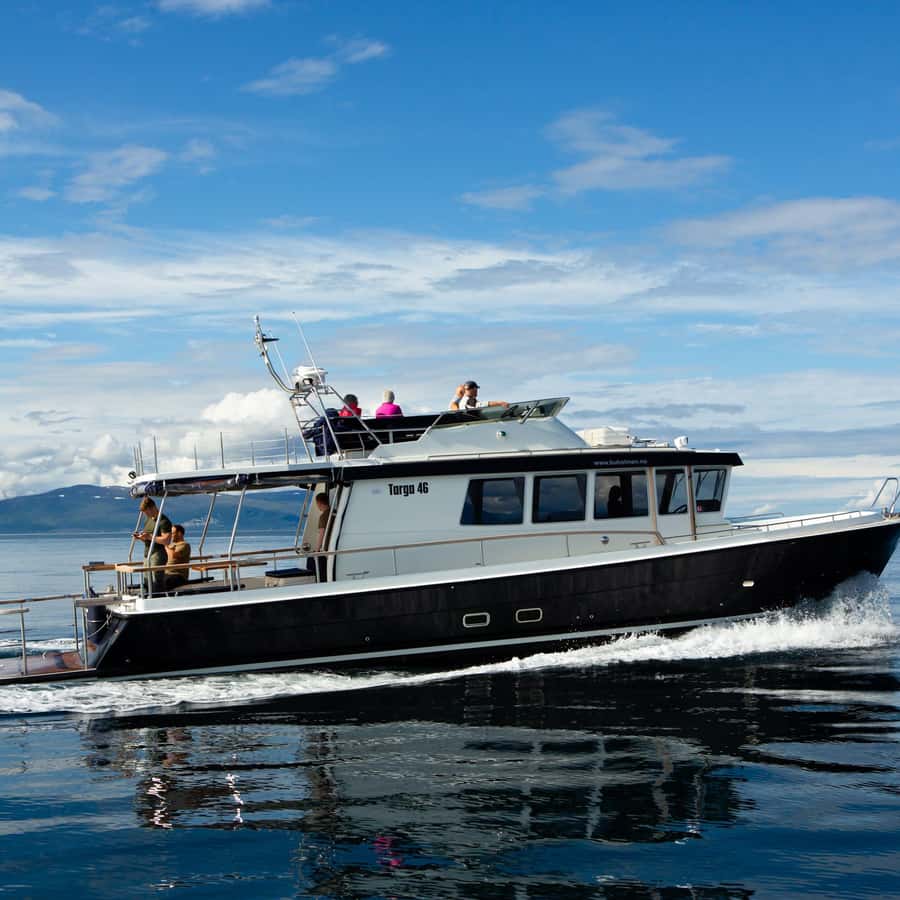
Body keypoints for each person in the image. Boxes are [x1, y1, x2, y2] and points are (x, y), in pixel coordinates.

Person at [133, 497, 172, 592]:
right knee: (147, 579)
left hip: (158, 554)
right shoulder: (149, 520)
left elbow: (166, 541)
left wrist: (149, 537)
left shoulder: (163, 521)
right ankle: (148, 597)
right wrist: (142, 538)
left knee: (156, 579)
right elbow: (149, 539)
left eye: (147, 512)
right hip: (147, 554)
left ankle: (159, 598)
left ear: (153, 507)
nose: (146, 515)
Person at [306, 492, 331, 580]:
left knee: (311, 559)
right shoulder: (333, 513)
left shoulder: (323, 516)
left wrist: (317, 550)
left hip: (326, 548)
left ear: (319, 503)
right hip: (331, 547)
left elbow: (322, 533)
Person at [163, 524, 192, 591]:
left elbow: (173, 555)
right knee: (154, 579)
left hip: (178, 575)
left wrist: (165, 545)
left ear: (179, 533)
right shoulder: (171, 545)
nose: (171, 535)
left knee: (165, 581)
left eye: (172, 533)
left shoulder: (185, 545)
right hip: (166, 573)